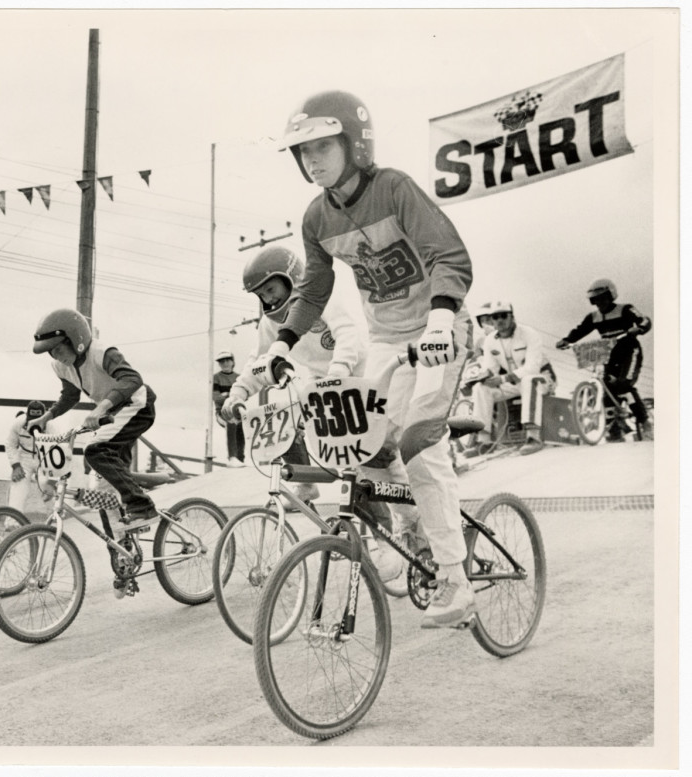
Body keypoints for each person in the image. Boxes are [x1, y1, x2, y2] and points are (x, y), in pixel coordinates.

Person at [276, 90, 476, 628]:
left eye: (321, 146)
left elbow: (447, 254)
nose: (311, 160)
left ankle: (457, 581)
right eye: (303, 152)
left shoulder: (394, 188)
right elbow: (313, 289)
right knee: (361, 442)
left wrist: (439, 320)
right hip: (388, 339)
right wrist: (281, 343)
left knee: (418, 443)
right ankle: (414, 529)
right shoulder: (317, 217)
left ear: (353, 143)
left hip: (441, 325)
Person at [219, 245, 405, 583]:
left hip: (363, 371)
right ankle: (312, 486)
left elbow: (350, 336)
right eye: (261, 295)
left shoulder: (323, 297)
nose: (268, 300)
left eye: (271, 290)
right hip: (325, 383)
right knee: (345, 464)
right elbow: (258, 362)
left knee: (370, 457)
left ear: (292, 279)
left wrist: (338, 371)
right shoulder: (269, 323)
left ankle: (386, 537)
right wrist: (237, 394)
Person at [29, 308, 159, 531]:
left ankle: (142, 507)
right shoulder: (62, 367)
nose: (57, 356)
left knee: (96, 451)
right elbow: (70, 396)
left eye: (59, 348)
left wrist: (101, 408)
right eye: (51, 352)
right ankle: (125, 543)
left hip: (136, 406)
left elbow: (132, 379)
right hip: (112, 415)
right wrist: (46, 416)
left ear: (75, 338)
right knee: (103, 485)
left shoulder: (102, 352)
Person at [555, 278, 652, 441]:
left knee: (624, 385)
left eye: (603, 298)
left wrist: (639, 328)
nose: (600, 303)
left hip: (629, 351)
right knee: (606, 386)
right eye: (595, 300)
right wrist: (567, 340)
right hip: (609, 355)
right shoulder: (594, 317)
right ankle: (614, 430)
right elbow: (580, 330)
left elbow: (645, 320)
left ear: (611, 296)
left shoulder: (625, 309)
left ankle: (644, 421)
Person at [467, 302, 556, 457]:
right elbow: (490, 367)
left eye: (503, 315)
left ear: (512, 317)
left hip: (542, 379)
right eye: (495, 317)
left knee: (530, 380)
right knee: (481, 389)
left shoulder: (529, 334)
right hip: (514, 383)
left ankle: (533, 437)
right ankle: (484, 441)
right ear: (492, 320)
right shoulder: (490, 341)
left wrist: (503, 378)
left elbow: (532, 367)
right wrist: (484, 376)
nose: (499, 320)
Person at [5, 400, 50, 515]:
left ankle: (55, 522)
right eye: (31, 418)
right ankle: (12, 524)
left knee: (47, 486)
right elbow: (10, 444)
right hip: (24, 457)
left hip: (45, 457)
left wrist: (52, 478)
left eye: (38, 418)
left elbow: (57, 449)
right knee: (18, 489)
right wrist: (15, 465)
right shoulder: (18, 423)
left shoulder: (51, 424)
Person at [211, 351, 246, 468]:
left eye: (227, 360)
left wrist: (229, 395)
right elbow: (216, 397)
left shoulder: (238, 378)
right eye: (222, 361)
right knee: (231, 423)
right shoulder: (216, 378)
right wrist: (228, 396)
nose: (225, 363)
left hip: (237, 410)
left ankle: (240, 458)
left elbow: (243, 395)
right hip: (222, 412)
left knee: (241, 429)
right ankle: (232, 457)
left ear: (232, 362)